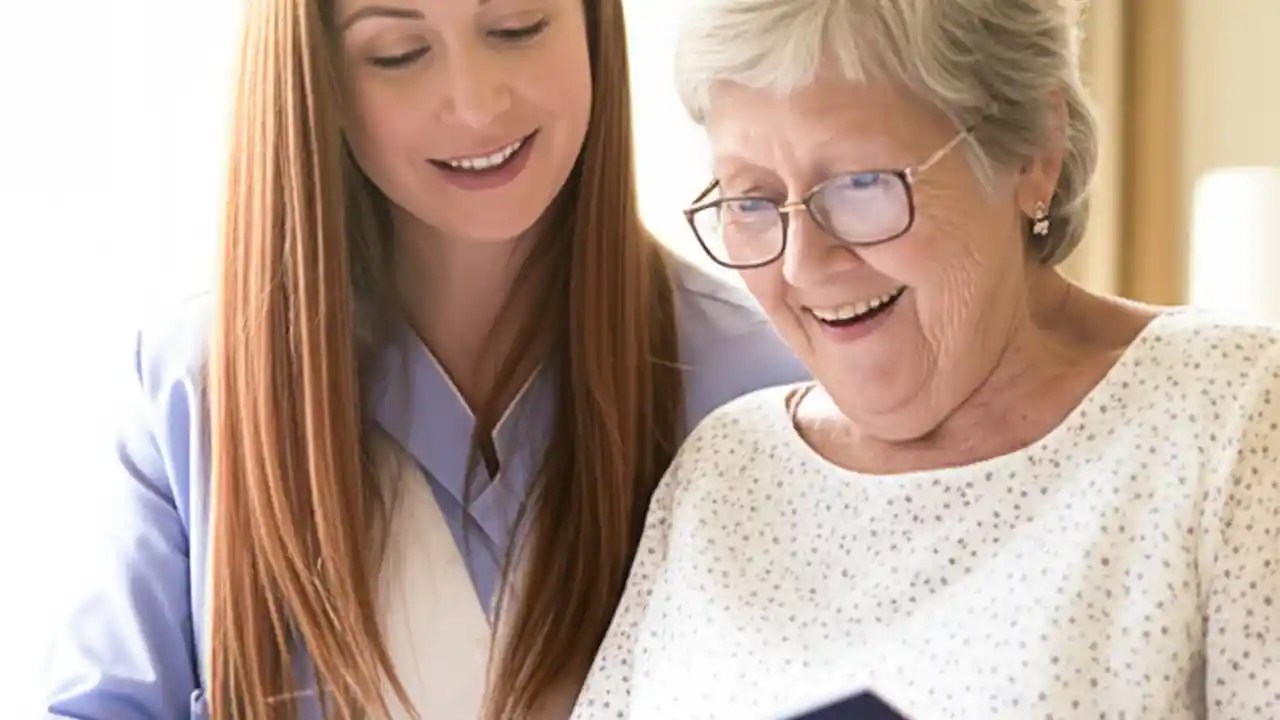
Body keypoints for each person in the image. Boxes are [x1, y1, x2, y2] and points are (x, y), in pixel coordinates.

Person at [39, 0, 806, 718]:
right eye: (399, 54)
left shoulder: (769, 388)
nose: (475, 105)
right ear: (318, 78)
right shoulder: (195, 390)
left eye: (516, 26)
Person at [571, 0, 1280, 718]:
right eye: (752, 201)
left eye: (861, 184)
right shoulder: (726, 466)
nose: (802, 266)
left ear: (1032, 150)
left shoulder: (1231, 413)